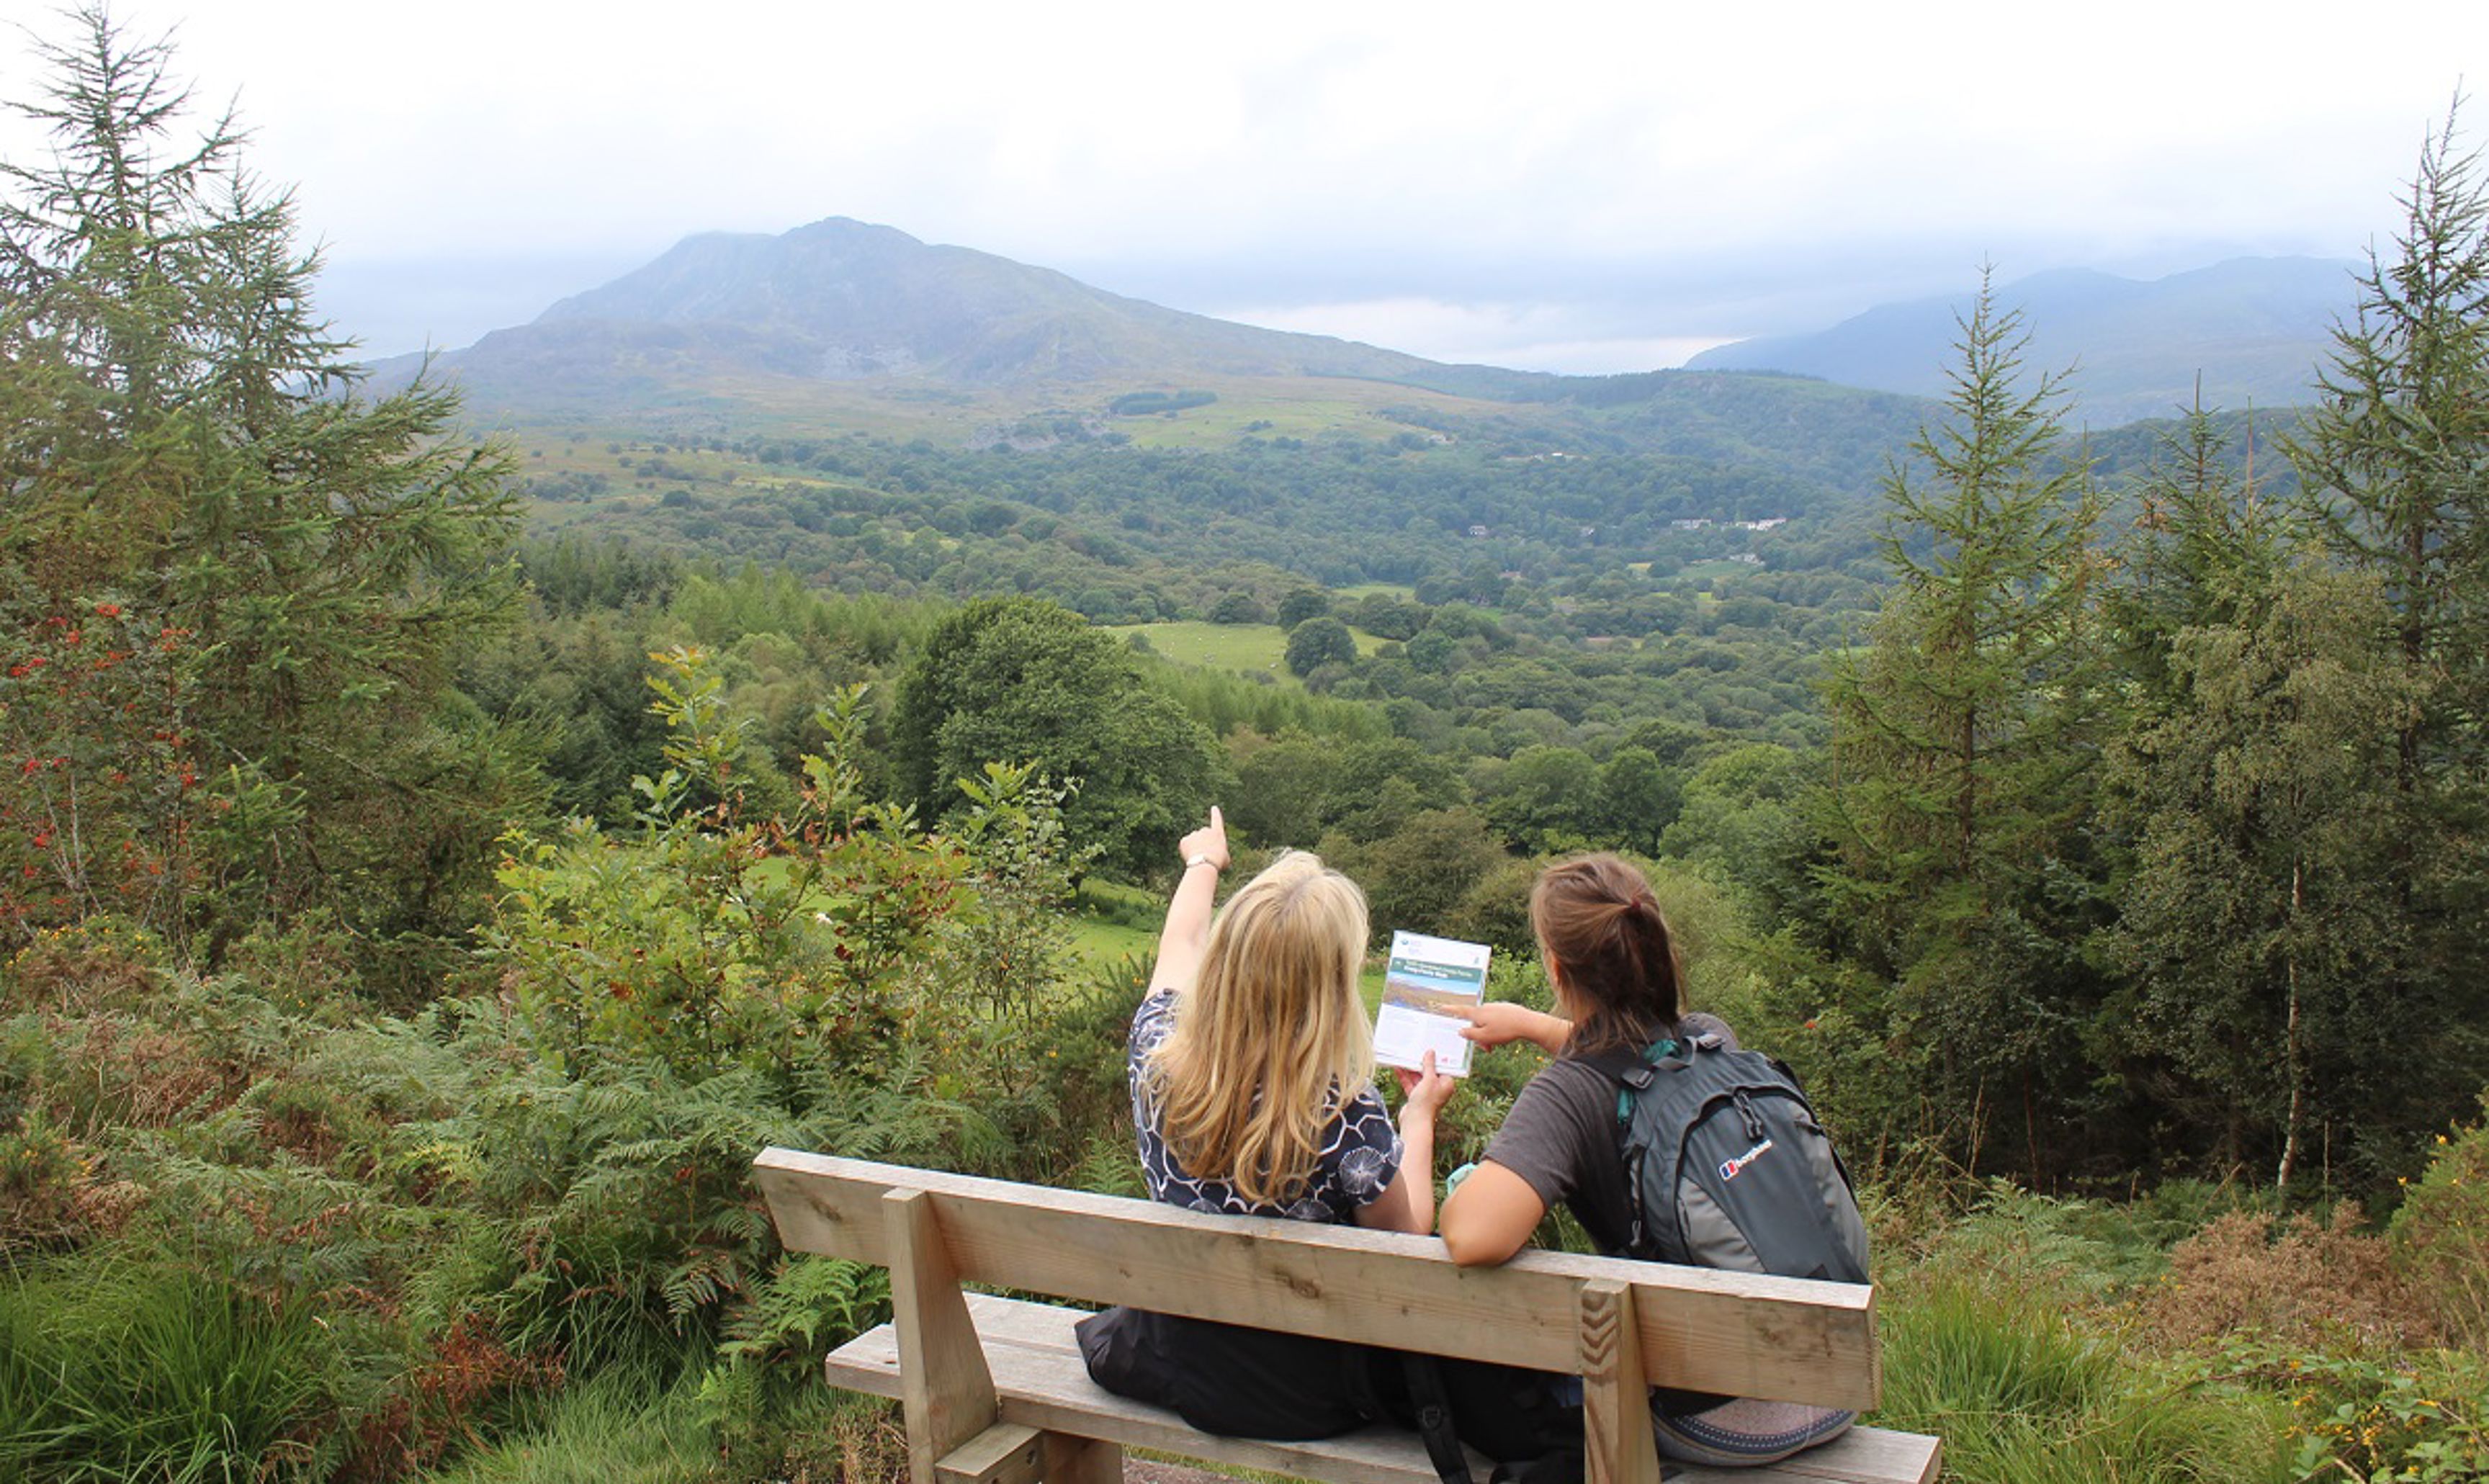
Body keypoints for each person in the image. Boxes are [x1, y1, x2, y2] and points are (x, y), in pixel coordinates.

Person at [1438, 852, 1858, 1470]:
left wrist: (1425, 1126)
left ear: (1556, 968)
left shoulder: (1568, 1094)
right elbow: (1631, 1058)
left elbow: (1472, 1235)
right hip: (1826, 1385)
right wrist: (1533, 1026)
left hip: (1717, 1421)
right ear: (1651, 947)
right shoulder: (1709, 1039)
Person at [1076, 806, 1456, 1439]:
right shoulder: (1344, 1115)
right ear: (1332, 988)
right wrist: (1420, 1118)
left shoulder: (1156, 1052)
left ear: (1226, 961)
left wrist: (1204, 862)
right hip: (1310, 1394)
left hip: (1181, 1364)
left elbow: (1181, 943)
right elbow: (1409, 1238)